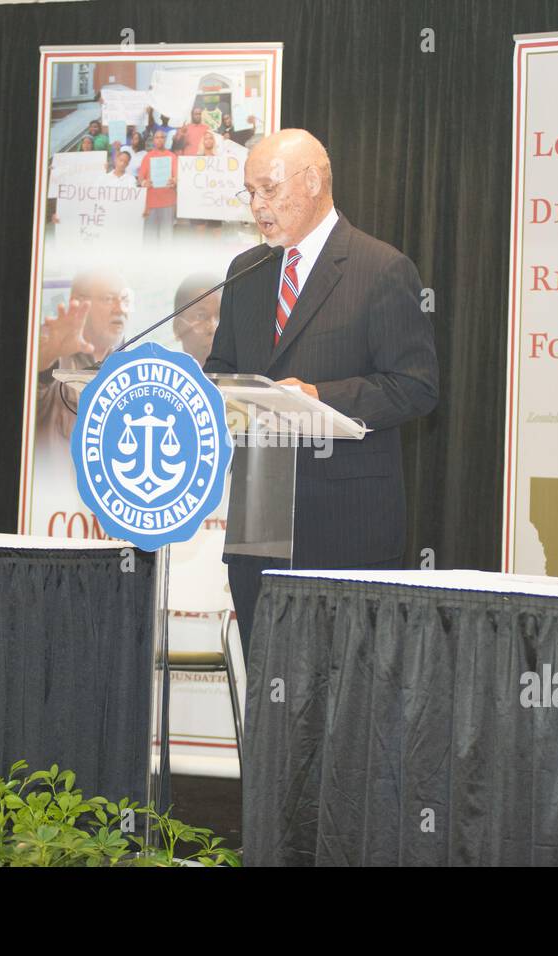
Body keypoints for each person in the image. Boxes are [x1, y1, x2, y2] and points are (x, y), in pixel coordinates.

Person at [205, 129, 439, 655]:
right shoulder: (246, 271)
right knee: (269, 684)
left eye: (268, 189)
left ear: (311, 181)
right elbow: (222, 369)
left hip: (346, 526)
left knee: (341, 692)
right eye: (250, 192)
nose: (257, 206)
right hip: (258, 522)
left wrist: (317, 397)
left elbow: (416, 386)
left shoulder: (381, 269)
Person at [34, 268, 130, 451]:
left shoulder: (129, 367)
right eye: (108, 299)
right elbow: (33, 384)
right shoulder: (52, 354)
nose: (121, 309)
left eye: (125, 299)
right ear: (77, 302)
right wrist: (47, 356)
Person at [172, 272, 222, 367]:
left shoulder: (243, 375)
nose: (213, 329)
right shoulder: (163, 373)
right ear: (177, 327)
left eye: (220, 317)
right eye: (201, 316)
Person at [137, 130, 177, 243]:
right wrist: (144, 183)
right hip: (151, 201)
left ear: (165, 140)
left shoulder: (172, 156)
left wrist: (174, 181)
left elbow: (177, 176)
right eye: (157, 137)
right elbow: (140, 177)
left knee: (166, 235)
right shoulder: (147, 157)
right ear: (154, 140)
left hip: (168, 201)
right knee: (150, 236)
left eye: (162, 137)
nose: (159, 140)